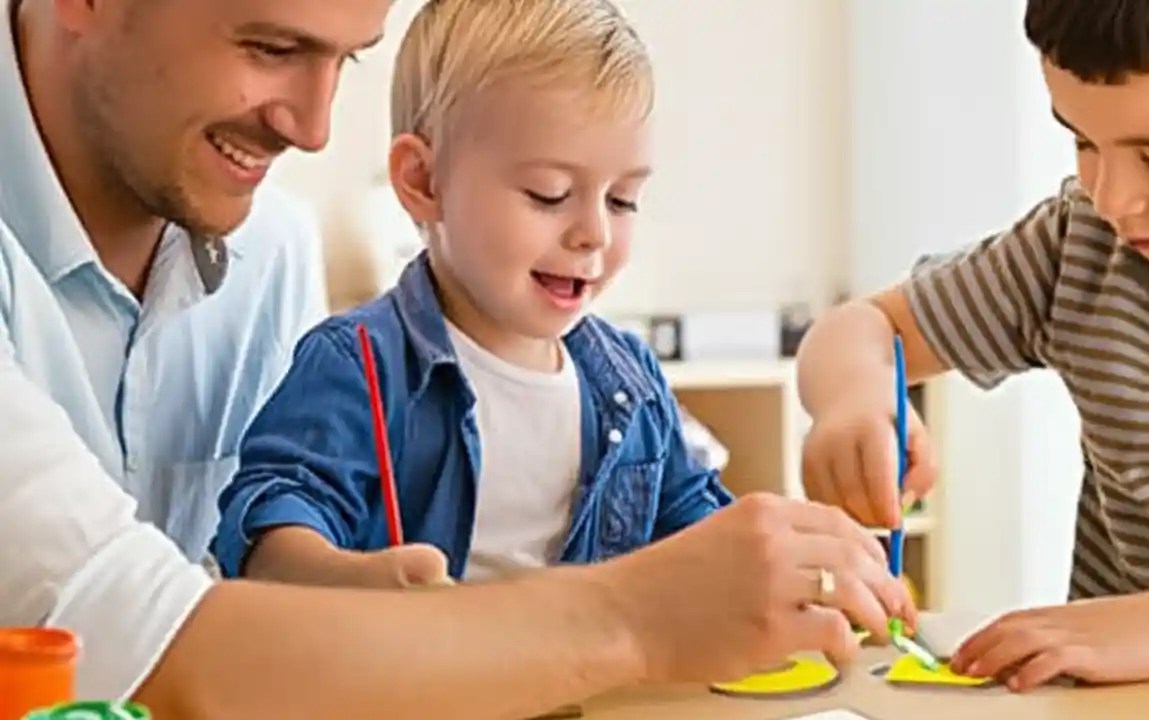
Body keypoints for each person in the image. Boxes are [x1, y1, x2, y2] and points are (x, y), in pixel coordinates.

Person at [0, 0, 913, 715]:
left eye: (346, 59)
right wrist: (636, 617)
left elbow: (690, 517)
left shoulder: (265, 247)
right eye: (273, 48)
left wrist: (777, 568)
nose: (317, 131)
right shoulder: (359, 360)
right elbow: (165, 640)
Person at [797, 0, 1149, 693]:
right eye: (1082, 142)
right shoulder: (1076, 246)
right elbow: (861, 328)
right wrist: (854, 404)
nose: (1112, 198)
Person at [211, 0, 734, 589]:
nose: (595, 233)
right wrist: (348, 581)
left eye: (622, 200)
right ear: (423, 182)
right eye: (549, 193)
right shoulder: (357, 364)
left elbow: (703, 534)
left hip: (590, 679)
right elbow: (272, 520)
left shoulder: (629, 381)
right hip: (414, 677)